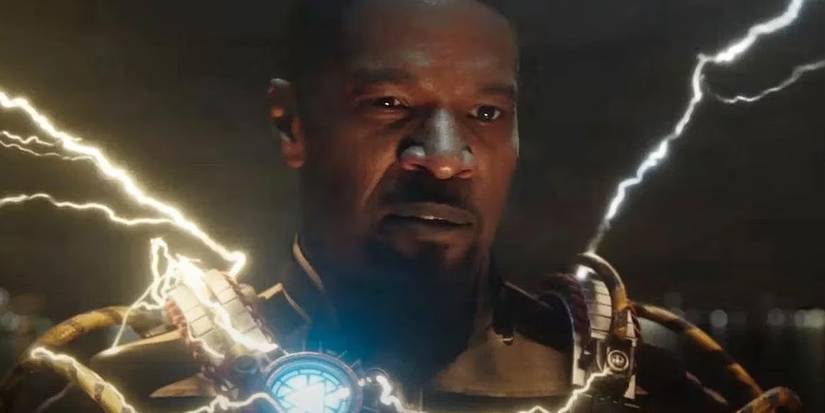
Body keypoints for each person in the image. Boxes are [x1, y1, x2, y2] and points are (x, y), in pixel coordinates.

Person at [4, 1, 734, 412]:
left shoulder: (653, 396)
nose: (444, 158)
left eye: (485, 113)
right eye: (389, 104)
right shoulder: (133, 394)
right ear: (292, 124)